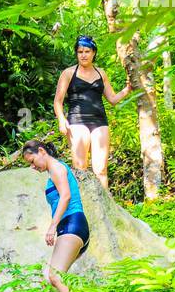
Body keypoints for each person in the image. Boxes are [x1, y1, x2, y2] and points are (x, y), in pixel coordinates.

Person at [53, 35, 130, 190]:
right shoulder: (68, 73)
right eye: (80, 52)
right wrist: (61, 120)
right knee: (80, 167)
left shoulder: (101, 73)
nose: (83, 55)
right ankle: (83, 202)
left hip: (100, 122)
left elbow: (112, 99)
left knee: (101, 169)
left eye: (87, 51)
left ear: (93, 53)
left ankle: (105, 203)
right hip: (77, 121)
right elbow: (58, 101)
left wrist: (128, 89)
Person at [22, 138, 90, 292]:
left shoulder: (57, 168)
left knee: (55, 277)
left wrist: (52, 227)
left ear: (41, 151)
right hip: (70, 227)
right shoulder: (53, 170)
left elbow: (65, 196)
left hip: (72, 224)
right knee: (48, 278)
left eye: (32, 161)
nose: (32, 167)